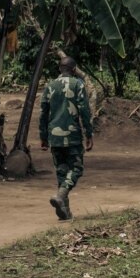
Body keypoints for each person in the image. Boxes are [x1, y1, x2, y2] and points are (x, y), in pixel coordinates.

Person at [39, 56, 93, 220]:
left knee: (62, 171)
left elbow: (43, 113)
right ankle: (61, 196)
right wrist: (89, 134)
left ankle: (65, 211)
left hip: (54, 136)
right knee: (76, 169)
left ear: (59, 69)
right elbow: (84, 110)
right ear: (74, 69)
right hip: (72, 135)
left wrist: (43, 136)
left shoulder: (50, 86)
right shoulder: (78, 84)